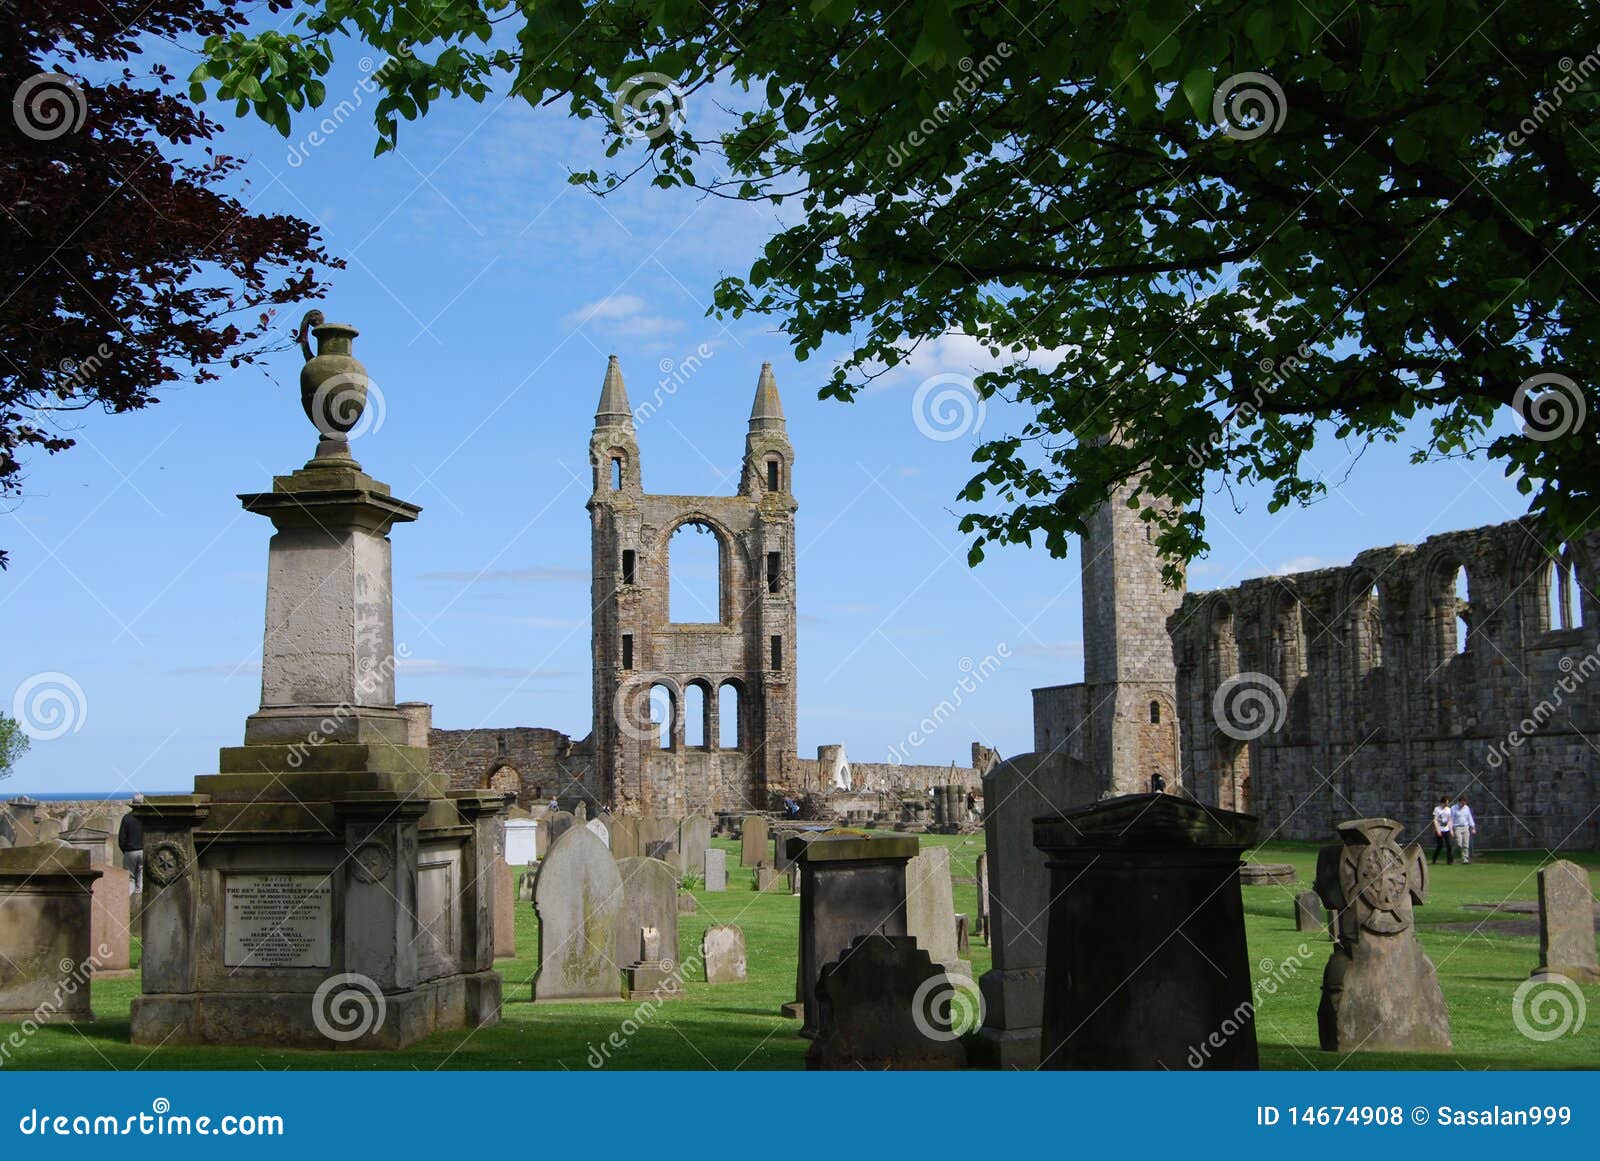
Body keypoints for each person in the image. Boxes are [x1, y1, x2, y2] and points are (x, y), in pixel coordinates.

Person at [117, 794, 145, 893]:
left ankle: (129, 903)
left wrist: (125, 850)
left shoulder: (126, 818)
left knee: (130, 879)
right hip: (143, 850)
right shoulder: (146, 818)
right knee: (141, 877)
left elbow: (121, 838)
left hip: (130, 851)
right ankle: (139, 902)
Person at [1452, 796, 1477, 863]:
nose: (1463, 805)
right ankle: (1452, 854)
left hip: (1466, 827)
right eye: (1462, 803)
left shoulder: (1466, 808)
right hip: (1457, 827)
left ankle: (1465, 859)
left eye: (1464, 803)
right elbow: (1451, 819)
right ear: (1459, 802)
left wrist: (1473, 827)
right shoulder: (1454, 808)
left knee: (1466, 844)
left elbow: (1470, 818)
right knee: (1459, 843)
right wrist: (1451, 828)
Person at [1429, 797, 1454, 865]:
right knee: (1440, 846)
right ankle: (1434, 859)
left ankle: (1450, 861)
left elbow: (1450, 820)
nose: (1447, 804)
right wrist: (1438, 830)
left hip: (1447, 829)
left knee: (1449, 845)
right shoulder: (1437, 809)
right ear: (1443, 802)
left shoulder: (1449, 810)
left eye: (1448, 803)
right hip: (1440, 829)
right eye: (1446, 803)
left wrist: (1451, 830)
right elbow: (1435, 820)